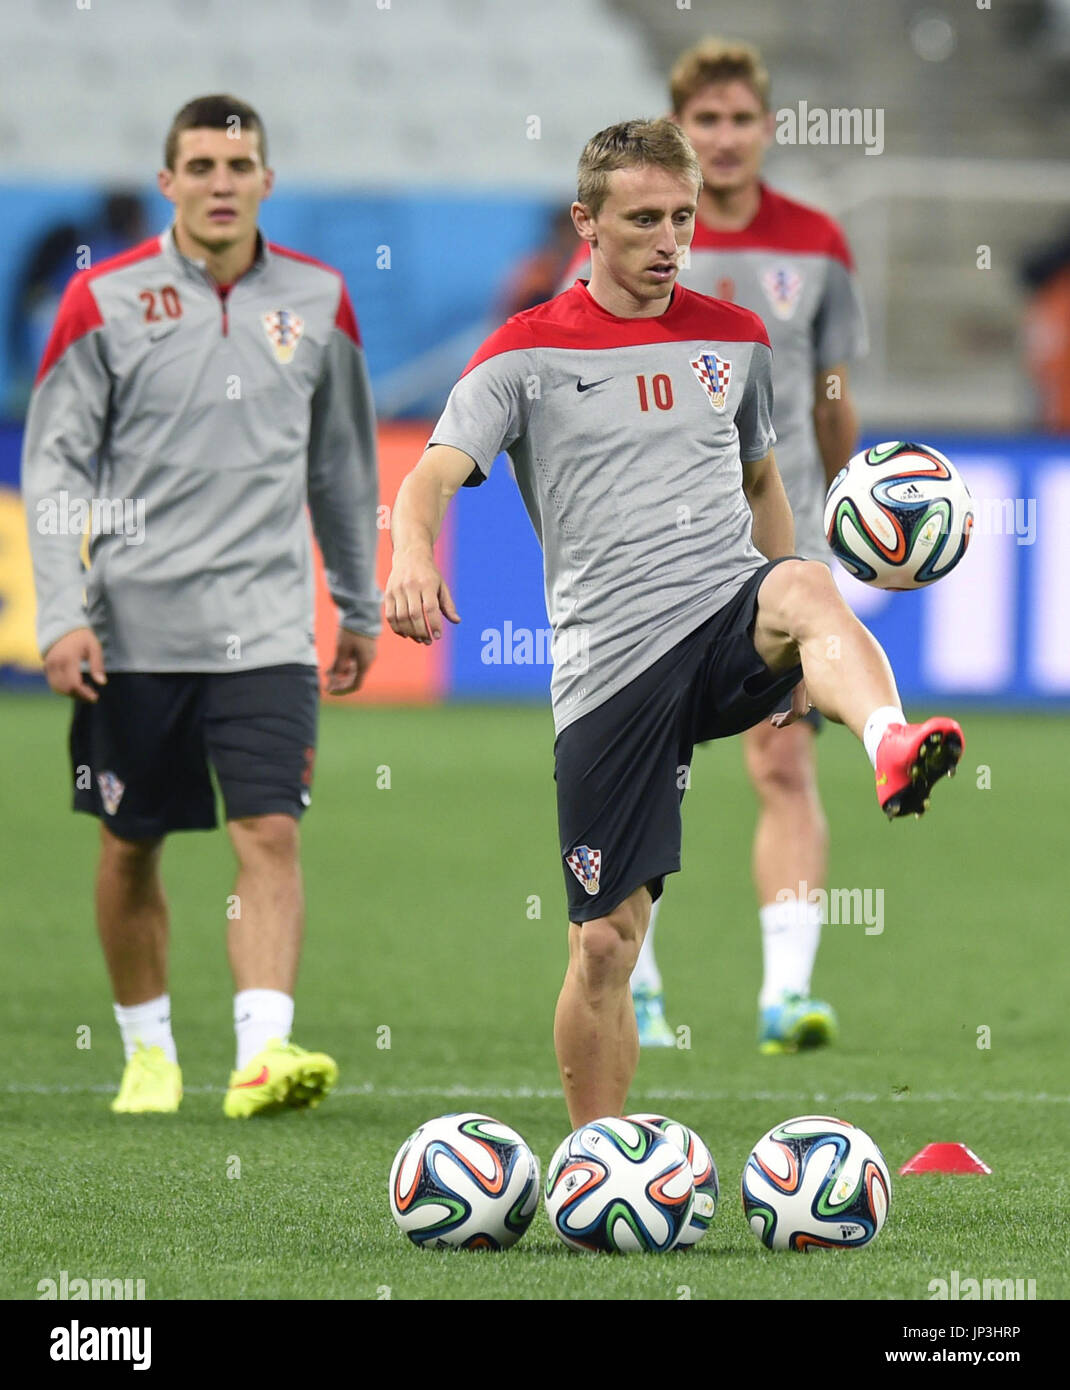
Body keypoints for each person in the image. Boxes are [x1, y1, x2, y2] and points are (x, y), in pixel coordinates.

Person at [384, 118, 963, 1127]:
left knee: (804, 586)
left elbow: (760, 485)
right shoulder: (521, 352)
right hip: (609, 666)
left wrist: (787, 656)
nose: (666, 241)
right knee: (605, 941)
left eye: (681, 220)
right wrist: (406, 555)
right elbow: (432, 474)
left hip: (721, 613)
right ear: (586, 223)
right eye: (642, 220)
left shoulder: (733, 338)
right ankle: (596, 1153)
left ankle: (887, 737)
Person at [21, 95, 381, 1117]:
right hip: (133, 625)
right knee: (131, 845)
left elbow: (344, 469)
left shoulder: (320, 299)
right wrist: (59, 612)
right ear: (168, 179)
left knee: (269, 830)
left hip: (267, 627)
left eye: (240, 163)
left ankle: (262, 1052)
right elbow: (55, 465)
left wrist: (354, 602)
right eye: (201, 164)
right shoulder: (104, 298)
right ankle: (147, 1052)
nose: (221, 182)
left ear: (267, 179)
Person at [563, 39, 868, 1053]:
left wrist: (846, 526)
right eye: (707, 122)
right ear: (679, 132)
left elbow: (828, 398)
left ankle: (785, 991)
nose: (726, 138)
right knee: (651, 778)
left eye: (742, 120)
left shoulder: (817, 243)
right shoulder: (629, 237)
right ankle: (637, 984)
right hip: (645, 564)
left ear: (765, 128)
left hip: (773, 545)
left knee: (782, 763)